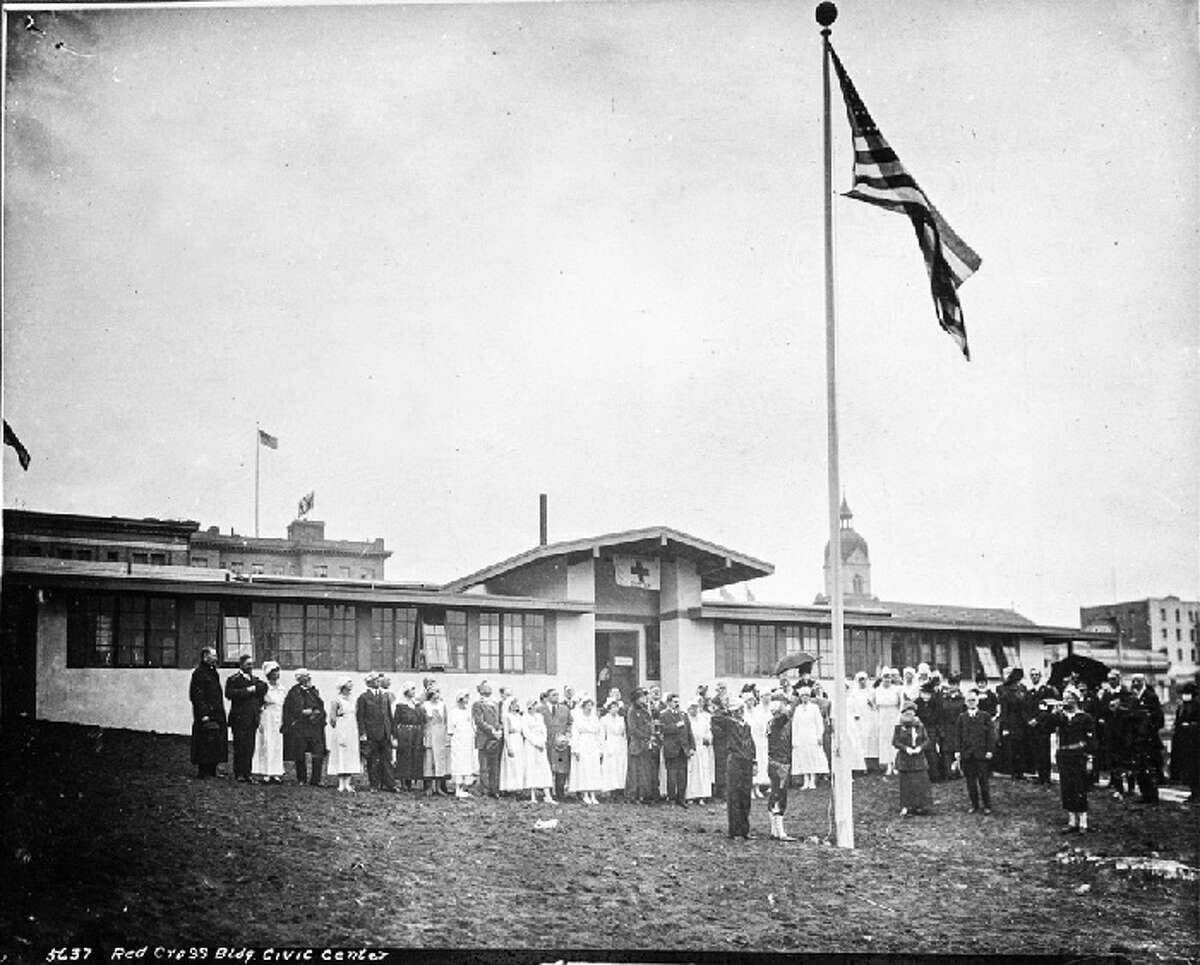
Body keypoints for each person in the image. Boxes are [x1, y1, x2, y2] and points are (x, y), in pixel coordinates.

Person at [1054, 686, 1095, 832]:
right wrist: (1054, 713)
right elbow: (1047, 726)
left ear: (1076, 699)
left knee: (1079, 787)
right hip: (1064, 755)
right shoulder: (1061, 717)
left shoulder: (1085, 718)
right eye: (1064, 698)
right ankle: (1072, 821)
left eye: (1070, 698)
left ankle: (1083, 822)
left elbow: (1091, 741)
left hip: (1078, 756)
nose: (1066, 701)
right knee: (1067, 787)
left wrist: (1090, 759)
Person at [225, 654, 267, 783]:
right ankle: (239, 773)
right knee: (239, 746)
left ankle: (247, 772)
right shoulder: (233, 680)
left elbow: (263, 688)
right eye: (248, 664)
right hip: (239, 718)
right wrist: (248, 690)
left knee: (250, 747)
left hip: (252, 718)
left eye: (252, 664)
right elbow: (230, 694)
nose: (251, 666)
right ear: (241, 665)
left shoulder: (256, 680)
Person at [282, 668, 326, 786]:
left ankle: (316, 779)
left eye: (309, 675)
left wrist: (317, 713)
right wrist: (302, 712)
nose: (309, 678)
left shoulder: (314, 691)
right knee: (299, 753)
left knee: (318, 753)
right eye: (306, 676)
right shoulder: (294, 692)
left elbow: (321, 706)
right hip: (300, 727)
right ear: (300, 679)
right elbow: (289, 709)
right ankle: (301, 778)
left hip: (315, 726)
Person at [189, 647, 227, 779]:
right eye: (213, 655)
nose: (216, 658)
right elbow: (197, 696)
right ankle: (203, 771)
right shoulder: (199, 673)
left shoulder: (213, 672)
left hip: (216, 712)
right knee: (204, 742)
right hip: (206, 714)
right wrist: (203, 714)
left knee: (215, 741)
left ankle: (212, 769)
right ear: (206, 656)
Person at [955, 689, 995, 814]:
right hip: (967, 754)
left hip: (981, 754)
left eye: (973, 700)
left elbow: (990, 735)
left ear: (977, 702)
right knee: (970, 782)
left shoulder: (985, 716)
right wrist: (957, 751)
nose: (971, 703)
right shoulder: (962, 717)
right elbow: (958, 736)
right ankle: (974, 805)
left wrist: (989, 750)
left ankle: (987, 805)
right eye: (969, 701)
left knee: (983, 781)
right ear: (965, 703)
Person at [357, 673, 397, 793]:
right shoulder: (363, 697)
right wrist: (363, 733)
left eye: (378, 680)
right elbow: (361, 717)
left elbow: (389, 715)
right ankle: (374, 784)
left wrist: (392, 732)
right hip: (372, 733)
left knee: (387, 759)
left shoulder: (385, 696)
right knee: (373, 760)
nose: (378, 682)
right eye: (375, 680)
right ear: (368, 682)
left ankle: (390, 784)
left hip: (385, 732)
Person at [893, 701, 933, 816]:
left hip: (919, 759)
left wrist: (920, 748)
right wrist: (906, 749)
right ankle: (905, 806)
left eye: (912, 711)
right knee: (906, 784)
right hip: (905, 759)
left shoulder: (920, 726)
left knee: (920, 782)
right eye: (907, 711)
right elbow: (895, 742)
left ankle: (921, 806)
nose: (910, 713)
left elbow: (927, 740)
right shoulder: (899, 727)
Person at [766, 697, 797, 840]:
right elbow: (786, 714)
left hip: (775, 762)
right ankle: (780, 831)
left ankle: (774, 830)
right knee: (780, 795)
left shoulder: (772, 724)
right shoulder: (777, 723)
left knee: (775, 793)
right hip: (780, 763)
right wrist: (789, 702)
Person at [725, 699, 756, 840]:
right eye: (736, 711)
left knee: (745, 796)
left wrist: (754, 761)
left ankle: (745, 830)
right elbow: (715, 719)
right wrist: (727, 712)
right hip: (735, 762)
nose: (739, 713)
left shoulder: (747, 726)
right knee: (734, 796)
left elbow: (751, 744)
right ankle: (735, 831)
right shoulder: (730, 724)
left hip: (747, 762)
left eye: (740, 710)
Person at [1023, 668, 1059, 786]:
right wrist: (1029, 720)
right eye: (1032, 675)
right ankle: (1040, 776)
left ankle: (1046, 778)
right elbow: (1025, 709)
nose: (1034, 677)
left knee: (1044, 752)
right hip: (1032, 727)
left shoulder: (1047, 691)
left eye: (1036, 675)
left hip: (1043, 727)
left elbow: (1048, 709)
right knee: (1036, 752)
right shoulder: (1029, 692)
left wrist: (1037, 720)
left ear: (1040, 676)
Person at [252, 661, 286, 783]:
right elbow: (258, 704)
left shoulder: (282, 688)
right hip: (267, 717)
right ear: (268, 674)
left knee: (277, 745)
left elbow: (282, 704)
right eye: (273, 672)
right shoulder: (264, 688)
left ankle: (276, 773)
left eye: (277, 671)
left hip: (278, 717)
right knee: (266, 743)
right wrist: (259, 720)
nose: (276, 674)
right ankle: (266, 772)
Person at [658, 693, 694, 807]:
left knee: (682, 776)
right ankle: (672, 798)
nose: (677, 704)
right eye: (674, 702)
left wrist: (692, 747)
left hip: (683, 749)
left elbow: (689, 732)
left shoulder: (683, 715)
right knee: (672, 775)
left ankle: (681, 798)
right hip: (671, 749)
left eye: (678, 701)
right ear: (669, 703)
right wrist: (676, 726)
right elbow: (662, 729)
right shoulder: (664, 715)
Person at [568, 696, 605, 805]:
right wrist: (575, 749)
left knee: (593, 768)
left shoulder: (595, 719)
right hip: (583, 744)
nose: (589, 708)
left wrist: (600, 748)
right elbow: (575, 735)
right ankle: (585, 794)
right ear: (583, 707)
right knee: (584, 769)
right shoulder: (578, 720)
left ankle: (593, 794)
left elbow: (599, 733)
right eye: (587, 705)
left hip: (593, 744)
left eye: (591, 705)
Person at [329, 678, 362, 793]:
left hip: (352, 729)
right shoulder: (336, 700)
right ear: (343, 685)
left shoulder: (354, 700)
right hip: (341, 728)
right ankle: (341, 783)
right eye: (348, 682)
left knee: (350, 754)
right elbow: (332, 718)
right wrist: (339, 725)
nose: (351, 684)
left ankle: (348, 783)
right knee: (341, 753)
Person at [790, 687, 828, 790]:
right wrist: (795, 739)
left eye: (806, 695)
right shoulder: (798, 709)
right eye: (802, 696)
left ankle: (812, 780)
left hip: (812, 735)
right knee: (803, 757)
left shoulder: (814, 708)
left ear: (809, 697)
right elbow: (795, 725)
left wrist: (819, 736)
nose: (804, 698)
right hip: (801, 736)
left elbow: (819, 723)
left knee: (813, 757)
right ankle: (805, 780)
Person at [472, 680, 504, 798]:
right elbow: (479, 721)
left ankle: (494, 789)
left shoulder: (495, 704)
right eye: (485, 688)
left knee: (494, 765)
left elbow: (499, 720)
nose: (488, 690)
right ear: (480, 690)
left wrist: (499, 729)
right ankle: (484, 789)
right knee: (484, 765)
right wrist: (492, 731)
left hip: (495, 738)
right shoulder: (477, 704)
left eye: (489, 688)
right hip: (484, 738)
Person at [996, 667, 1028, 780]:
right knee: (1013, 748)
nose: (1017, 682)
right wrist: (1005, 727)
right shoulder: (1006, 692)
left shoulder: (1023, 689)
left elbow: (1026, 706)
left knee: (1021, 747)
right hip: (1011, 722)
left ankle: (1021, 772)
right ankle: (1014, 772)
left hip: (1022, 722)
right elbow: (1004, 711)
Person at [626, 688, 657, 803]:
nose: (644, 699)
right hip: (636, 744)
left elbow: (650, 724)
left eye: (644, 697)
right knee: (634, 771)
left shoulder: (645, 710)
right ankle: (632, 795)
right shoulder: (632, 711)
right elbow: (633, 729)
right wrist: (645, 736)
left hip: (645, 744)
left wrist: (651, 735)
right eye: (641, 697)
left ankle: (643, 794)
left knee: (644, 771)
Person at [541, 688, 573, 802]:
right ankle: (547, 792)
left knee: (561, 768)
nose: (556, 697)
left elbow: (570, 723)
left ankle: (560, 792)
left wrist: (567, 735)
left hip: (561, 744)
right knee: (547, 767)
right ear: (548, 696)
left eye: (557, 695)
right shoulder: (541, 709)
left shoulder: (565, 709)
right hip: (547, 743)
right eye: (553, 695)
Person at [392, 682, 425, 790]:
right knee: (404, 756)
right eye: (412, 689)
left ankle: (411, 780)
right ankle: (403, 781)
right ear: (406, 691)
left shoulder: (416, 704)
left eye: (414, 689)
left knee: (414, 756)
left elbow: (421, 719)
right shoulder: (400, 705)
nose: (414, 692)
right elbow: (395, 722)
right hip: (404, 733)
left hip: (416, 733)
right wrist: (395, 737)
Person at [1169, 682, 1199, 801]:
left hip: (1195, 742)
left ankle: (1197, 793)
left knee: (1195, 768)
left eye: (1187, 693)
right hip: (1184, 741)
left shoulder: (1197, 705)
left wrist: (1191, 725)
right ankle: (1193, 792)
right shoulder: (1182, 706)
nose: (1185, 696)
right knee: (1187, 769)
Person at [522, 698, 555, 803]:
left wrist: (542, 741)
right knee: (532, 767)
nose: (534, 707)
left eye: (535, 705)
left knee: (544, 767)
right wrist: (536, 743)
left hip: (541, 744)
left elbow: (544, 729)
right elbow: (526, 732)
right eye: (532, 705)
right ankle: (533, 796)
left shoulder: (539, 717)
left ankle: (548, 795)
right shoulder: (525, 717)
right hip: (531, 745)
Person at [421, 682, 450, 796]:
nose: (436, 695)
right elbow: (422, 722)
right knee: (429, 760)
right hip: (429, 733)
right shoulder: (425, 705)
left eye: (437, 692)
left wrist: (446, 736)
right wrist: (424, 736)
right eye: (433, 693)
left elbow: (446, 722)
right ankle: (428, 787)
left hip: (440, 734)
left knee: (440, 760)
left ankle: (438, 787)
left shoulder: (443, 705)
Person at [447, 689, 477, 798]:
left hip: (468, 741)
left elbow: (473, 725)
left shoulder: (469, 711)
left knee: (467, 764)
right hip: (458, 741)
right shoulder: (453, 712)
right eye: (465, 698)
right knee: (458, 764)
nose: (466, 701)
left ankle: (464, 787)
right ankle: (457, 789)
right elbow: (450, 729)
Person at [685, 698, 714, 804]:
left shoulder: (703, 719)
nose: (694, 710)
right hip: (692, 748)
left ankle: (702, 795)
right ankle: (690, 796)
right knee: (692, 773)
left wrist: (707, 738)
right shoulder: (686, 720)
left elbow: (708, 732)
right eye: (692, 708)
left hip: (702, 748)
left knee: (703, 772)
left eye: (696, 707)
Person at [874, 669, 902, 776]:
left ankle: (896, 765)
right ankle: (888, 765)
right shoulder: (877, 690)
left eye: (889, 677)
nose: (887, 680)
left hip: (893, 715)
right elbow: (873, 704)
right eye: (885, 677)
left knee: (894, 739)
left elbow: (900, 703)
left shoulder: (897, 689)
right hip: (882, 716)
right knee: (885, 740)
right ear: (882, 678)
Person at [914, 683, 944, 781]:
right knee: (920, 750)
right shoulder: (917, 703)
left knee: (931, 751)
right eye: (924, 693)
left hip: (931, 729)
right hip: (919, 729)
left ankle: (934, 774)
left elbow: (937, 717)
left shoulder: (936, 703)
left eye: (928, 694)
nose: (926, 696)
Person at [938, 673, 965, 780]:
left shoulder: (962, 699)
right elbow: (940, 715)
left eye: (955, 684)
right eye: (951, 684)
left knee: (958, 750)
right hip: (947, 728)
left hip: (958, 728)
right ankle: (948, 772)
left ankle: (958, 771)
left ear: (958, 686)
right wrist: (941, 730)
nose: (953, 687)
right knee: (946, 751)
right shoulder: (944, 699)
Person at [600, 698, 628, 799]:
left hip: (620, 743)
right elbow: (602, 735)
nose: (614, 709)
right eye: (612, 707)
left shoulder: (621, 719)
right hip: (610, 743)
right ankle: (612, 790)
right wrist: (603, 748)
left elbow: (624, 734)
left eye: (616, 707)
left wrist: (625, 745)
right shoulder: (604, 719)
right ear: (608, 709)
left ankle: (621, 788)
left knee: (621, 766)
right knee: (611, 767)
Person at [848, 672, 878, 768]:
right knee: (860, 739)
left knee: (870, 739)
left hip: (870, 718)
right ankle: (861, 765)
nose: (862, 682)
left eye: (864, 679)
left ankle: (871, 764)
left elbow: (876, 706)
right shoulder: (853, 692)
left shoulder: (872, 692)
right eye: (860, 679)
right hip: (858, 719)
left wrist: (872, 705)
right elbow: (851, 706)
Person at [499, 697, 526, 795]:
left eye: (516, 703)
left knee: (519, 764)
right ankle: (509, 787)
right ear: (509, 705)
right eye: (513, 703)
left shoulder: (519, 716)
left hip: (519, 740)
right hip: (511, 739)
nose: (516, 705)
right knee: (511, 763)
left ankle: (518, 786)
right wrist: (508, 746)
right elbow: (505, 732)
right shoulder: (507, 716)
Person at [746, 688, 769, 798]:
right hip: (749, 742)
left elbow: (762, 726)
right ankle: (750, 790)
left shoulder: (757, 712)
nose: (750, 703)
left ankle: (757, 788)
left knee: (759, 764)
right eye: (748, 701)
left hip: (759, 741)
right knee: (751, 765)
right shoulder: (744, 714)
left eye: (752, 700)